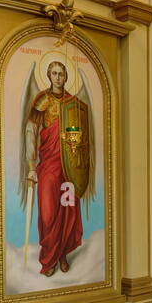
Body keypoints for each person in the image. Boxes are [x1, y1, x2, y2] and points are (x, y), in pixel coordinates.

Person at [22, 59, 93, 277]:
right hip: (49, 166)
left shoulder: (74, 103)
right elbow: (31, 132)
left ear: (66, 77)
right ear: (49, 76)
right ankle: (49, 257)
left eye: (61, 73)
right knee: (48, 213)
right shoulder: (42, 100)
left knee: (67, 211)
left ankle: (61, 254)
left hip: (69, 168)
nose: (58, 77)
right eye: (54, 73)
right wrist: (32, 166)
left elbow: (80, 139)